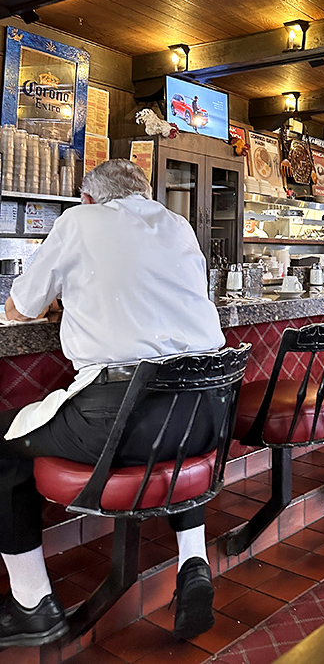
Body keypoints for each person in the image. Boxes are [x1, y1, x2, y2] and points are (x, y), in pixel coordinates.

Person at [0, 159, 226, 647]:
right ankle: (194, 564)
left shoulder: (77, 222)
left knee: (2, 444)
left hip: (123, 421)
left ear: (87, 199)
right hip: (207, 416)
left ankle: (32, 602)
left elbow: (20, 307)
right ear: (145, 194)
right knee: (173, 424)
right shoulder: (180, 225)